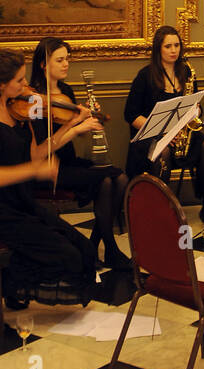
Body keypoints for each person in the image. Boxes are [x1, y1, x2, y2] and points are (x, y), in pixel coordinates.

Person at [0, 49, 98, 332]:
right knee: (65, 255)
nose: (26, 87)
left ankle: (15, 288)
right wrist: (34, 172)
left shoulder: (17, 112)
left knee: (83, 248)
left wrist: (71, 128)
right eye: (19, 81)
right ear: (0, 84)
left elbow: (37, 154)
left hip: (21, 202)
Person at [29, 38, 131, 271]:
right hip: (48, 167)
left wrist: (86, 120)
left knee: (118, 179)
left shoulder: (65, 90)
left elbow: (76, 135)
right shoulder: (34, 99)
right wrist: (76, 126)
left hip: (69, 160)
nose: (66, 64)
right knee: (107, 180)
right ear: (44, 64)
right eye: (60, 60)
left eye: (68, 59)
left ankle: (96, 244)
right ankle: (107, 248)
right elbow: (41, 149)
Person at [124, 25, 204, 233]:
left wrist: (196, 110)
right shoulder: (145, 76)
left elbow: (195, 104)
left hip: (181, 135)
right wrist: (163, 133)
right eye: (168, 46)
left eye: (177, 45)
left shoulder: (185, 72)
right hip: (151, 139)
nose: (173, 50)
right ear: (158, 49)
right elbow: (130, 115)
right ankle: (161, 213)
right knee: (163, 152)